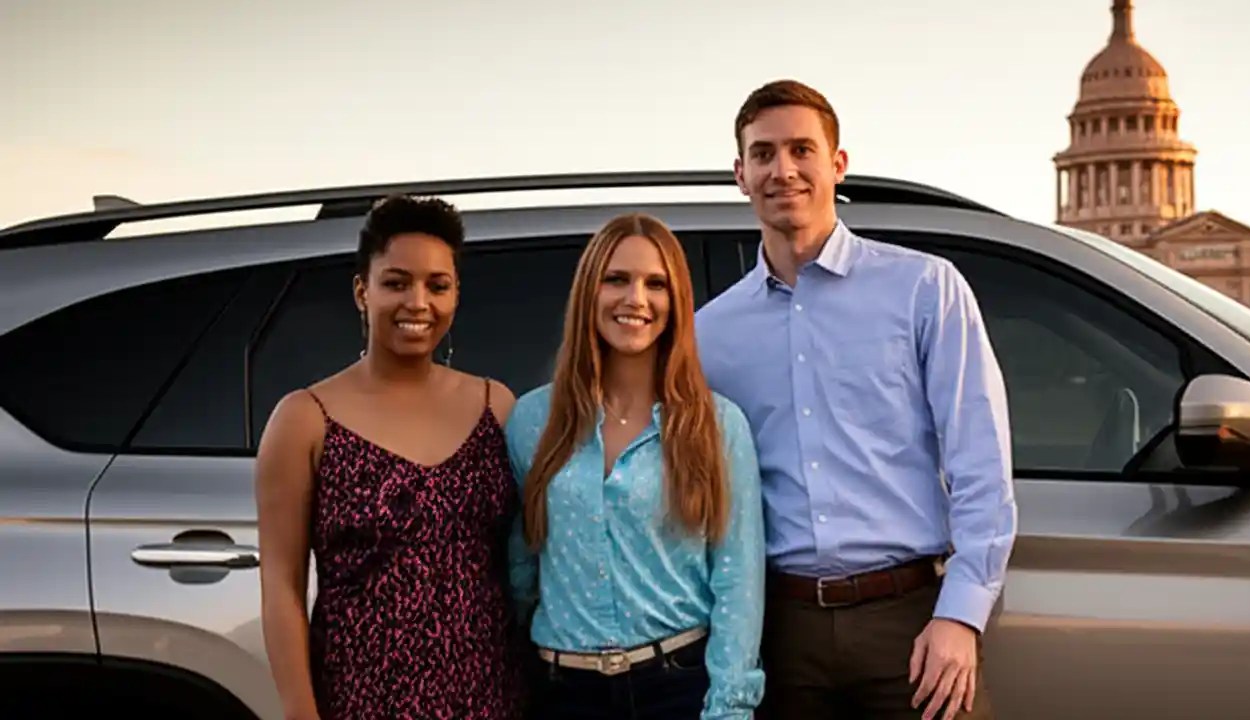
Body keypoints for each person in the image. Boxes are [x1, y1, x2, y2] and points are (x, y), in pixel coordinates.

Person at [694, 79, 1017, 720]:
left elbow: (981, 464)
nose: (782, 170)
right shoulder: (710, 333)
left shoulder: (925, 289)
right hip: (779, 631)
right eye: (762, 154)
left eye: (801, 150)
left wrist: (960, 617)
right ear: (740, 173)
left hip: (911, 623)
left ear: (837, 164)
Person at [254, 195, 526, 720]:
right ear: (363, 290)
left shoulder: (498, 407)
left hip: (491, 698)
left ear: (455, 294)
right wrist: (300, 712)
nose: (418, 302)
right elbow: (282, 589)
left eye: (437, 285)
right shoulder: (306, 419)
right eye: (396, 282)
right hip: (362, 701)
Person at [504, 212, 767, 720]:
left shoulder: (716, 425)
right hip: (564, 693)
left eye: (656, 284)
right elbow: (522, 566)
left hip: (677, 688)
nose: (636, 300)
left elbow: (738, 579)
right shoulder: (531, 420)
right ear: (589, 292)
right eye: (616, 279)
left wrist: (730, 707)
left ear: (677, 301)